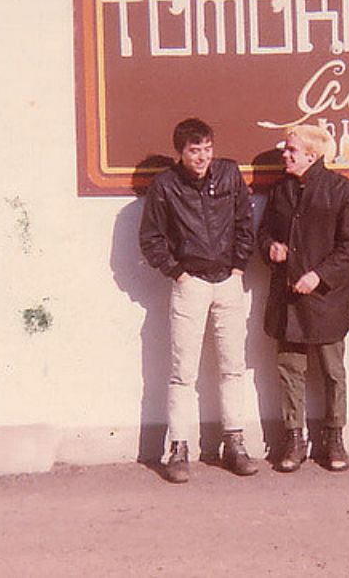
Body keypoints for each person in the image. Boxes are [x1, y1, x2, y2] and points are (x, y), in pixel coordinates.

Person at [139, 117, 257, 483]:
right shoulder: (165, 185)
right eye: (194, 150)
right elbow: (151, 238)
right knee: (182, 373)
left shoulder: (229, 174)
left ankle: (235, 443)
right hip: (190, 285)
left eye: (207, 148)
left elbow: (245, 222)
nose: (203, 157)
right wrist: (178, 273)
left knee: (233, 367)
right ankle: (178, 448)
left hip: (228, 283)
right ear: (180, 152)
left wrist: (238, 267)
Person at [258, 124, 349, 472]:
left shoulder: (341, 190)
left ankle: (334, 438)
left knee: (333, 372)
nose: (285, 154)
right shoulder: (281, 190)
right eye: (286, 149)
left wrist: (319, 276)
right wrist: (270, 247)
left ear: (312, 155)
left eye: (292, 150)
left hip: (326, 299)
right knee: (290, 371)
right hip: (288, 299)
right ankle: (294, 439)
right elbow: (264, 232)